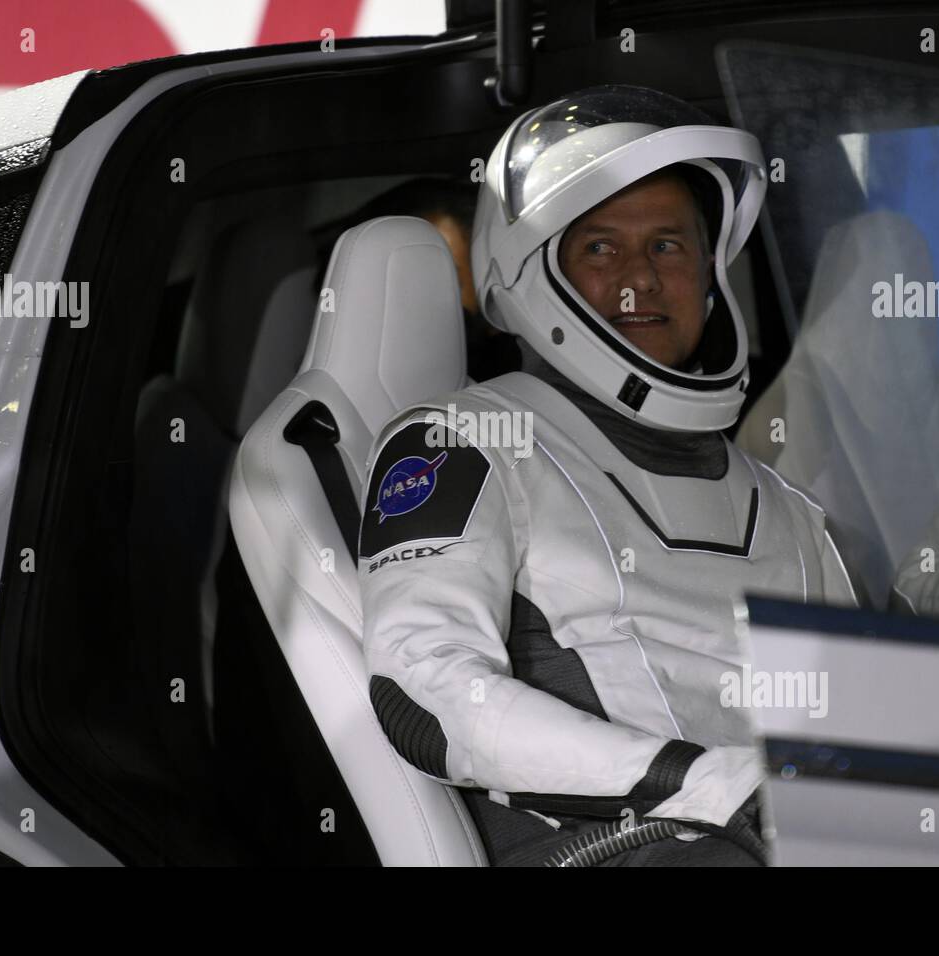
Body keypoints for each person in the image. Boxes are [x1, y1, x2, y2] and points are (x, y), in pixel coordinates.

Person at [357, 85, 857, 867]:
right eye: (600, 247)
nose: (641, 279)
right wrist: (706, 784)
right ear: (524, 274)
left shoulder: (786, 507)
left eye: (669, 245)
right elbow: (426, 690)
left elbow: (862, 726)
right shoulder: (462, 443)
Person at [320, 177, 522, 381]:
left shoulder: (520, 401)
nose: (406, 305)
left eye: (431, 284)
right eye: (388, 286)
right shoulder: (326, 396)